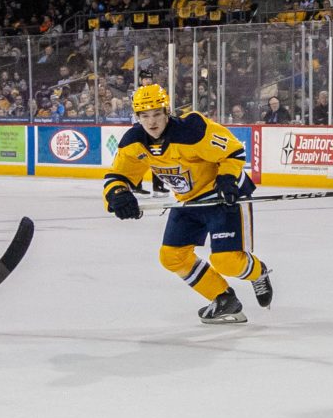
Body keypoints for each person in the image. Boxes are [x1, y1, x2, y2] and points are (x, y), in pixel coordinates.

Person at [102, 83, 270, 323]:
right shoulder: (134, 142)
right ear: (137, 117)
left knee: (227, 262)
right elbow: (118, 176)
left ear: (167, 111)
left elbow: (232, 152)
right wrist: (118, 194)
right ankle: (224, 299)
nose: (152, 122)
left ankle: (258, 272)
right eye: (145, 116)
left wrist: (226, 179)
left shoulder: (192, 129)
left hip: (222, 196)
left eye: (157, 114)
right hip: (189, 201)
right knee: (172, 256)